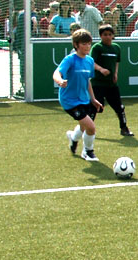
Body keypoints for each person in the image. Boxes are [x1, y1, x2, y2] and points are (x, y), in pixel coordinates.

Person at [53, 29, 104, 162]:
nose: (87, 46)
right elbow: (56, 73)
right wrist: (60, 81)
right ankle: (88, 151)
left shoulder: (90, 61)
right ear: (76, 45)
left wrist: (93, 99)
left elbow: (87, 81)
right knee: (91, 127)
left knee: (83, 126)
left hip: (83, 99)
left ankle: (73, 137)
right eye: (84, 44)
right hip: (69, 101)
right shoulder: (70, 59)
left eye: (89, 44)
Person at [91, 25, 134, 137]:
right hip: (98, 83)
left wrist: (115, 74)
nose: (108, 37)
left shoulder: (116, 48)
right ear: (100, 36)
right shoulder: (97, 47)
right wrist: (101, 69)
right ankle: (88, 128)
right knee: (95, 107)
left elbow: (116, 62)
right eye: (105, 35)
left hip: (111, 84)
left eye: (110, 34)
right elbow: (91, 62)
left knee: (119, 107)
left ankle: (124, 128)